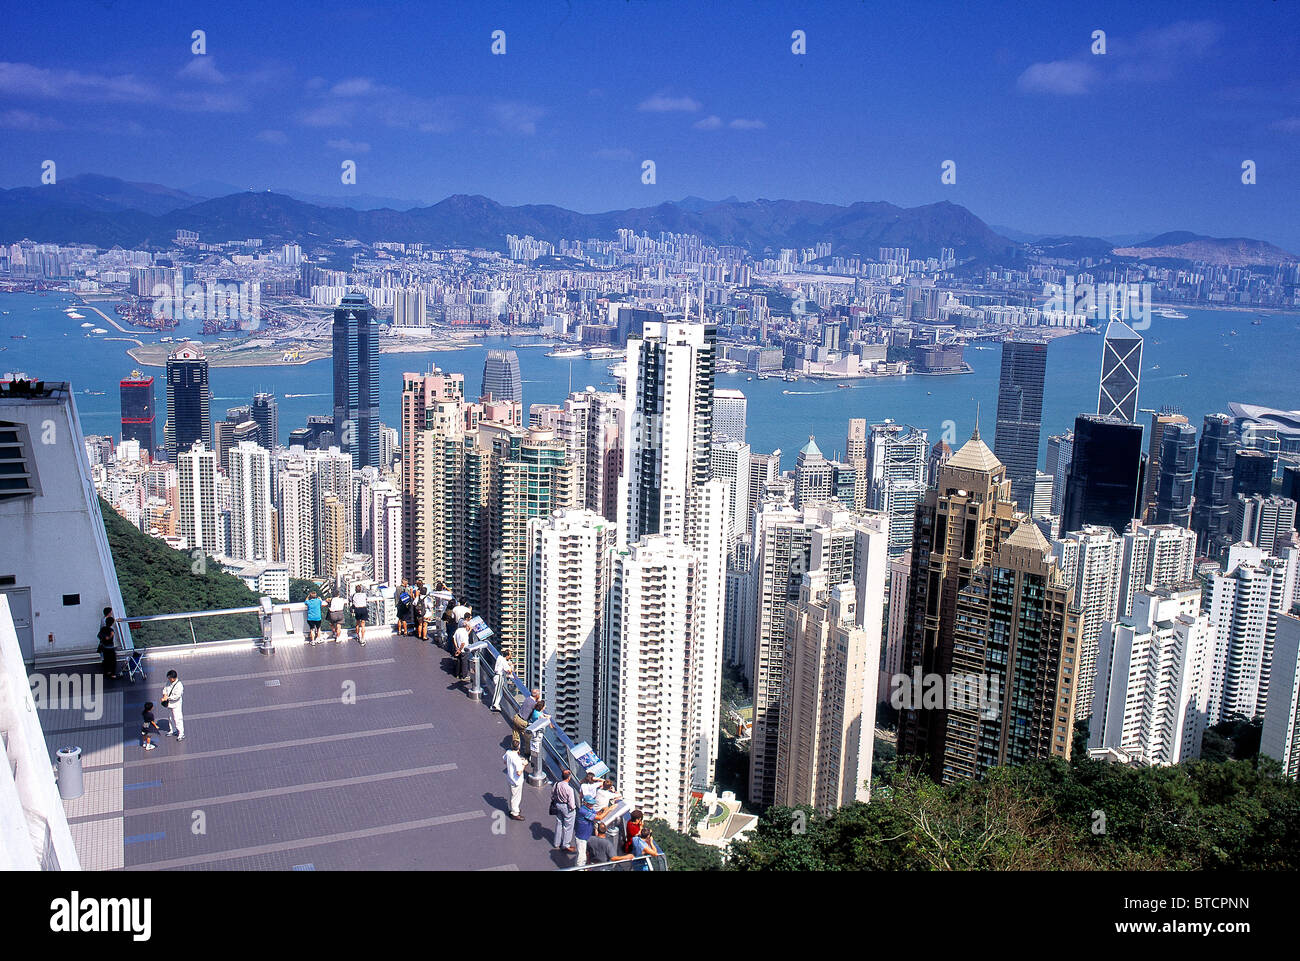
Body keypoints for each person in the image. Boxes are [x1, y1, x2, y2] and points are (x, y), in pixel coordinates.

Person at [551, 769, 578, 853]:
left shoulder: (557, 784)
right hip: (566, 807)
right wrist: (573, 809)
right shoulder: (569, 789)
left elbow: (552, 794)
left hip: (558, 805)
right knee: (568, 826)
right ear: (569, 777)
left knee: (559, 823)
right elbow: (571, 803)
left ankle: (556, 843)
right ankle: (566, 844)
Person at [511, 688, 540, 756]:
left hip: (516, 717)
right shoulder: (534, 704)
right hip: (522, 721)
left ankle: (515, 749)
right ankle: (527, 753)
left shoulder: (527, 699)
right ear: (537, 696)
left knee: (516, 735)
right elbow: (536, 711)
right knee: (528, 738)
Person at [503, 746, 527, 821]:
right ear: (519, 747)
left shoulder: (508, 752)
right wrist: (524, 764)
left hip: (510, 778)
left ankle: (513, 809)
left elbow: (505, 761)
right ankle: (515, 813)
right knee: (516, 797)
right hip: (516, 781)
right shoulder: (517, 759)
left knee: (512, 795)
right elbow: (519, 772)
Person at [161, 669, 185, 740]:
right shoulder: (169, 682)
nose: (168, 679)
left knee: (178, 719)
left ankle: (181, 733)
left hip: (176, 704)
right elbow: (165, 688)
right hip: (169, 704)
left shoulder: (179, 685)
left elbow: (177, 696)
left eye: (169, 678)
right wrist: (164, 694)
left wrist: (167, 698)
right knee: (170, 717)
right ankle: (173, 730)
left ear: (173, 678)